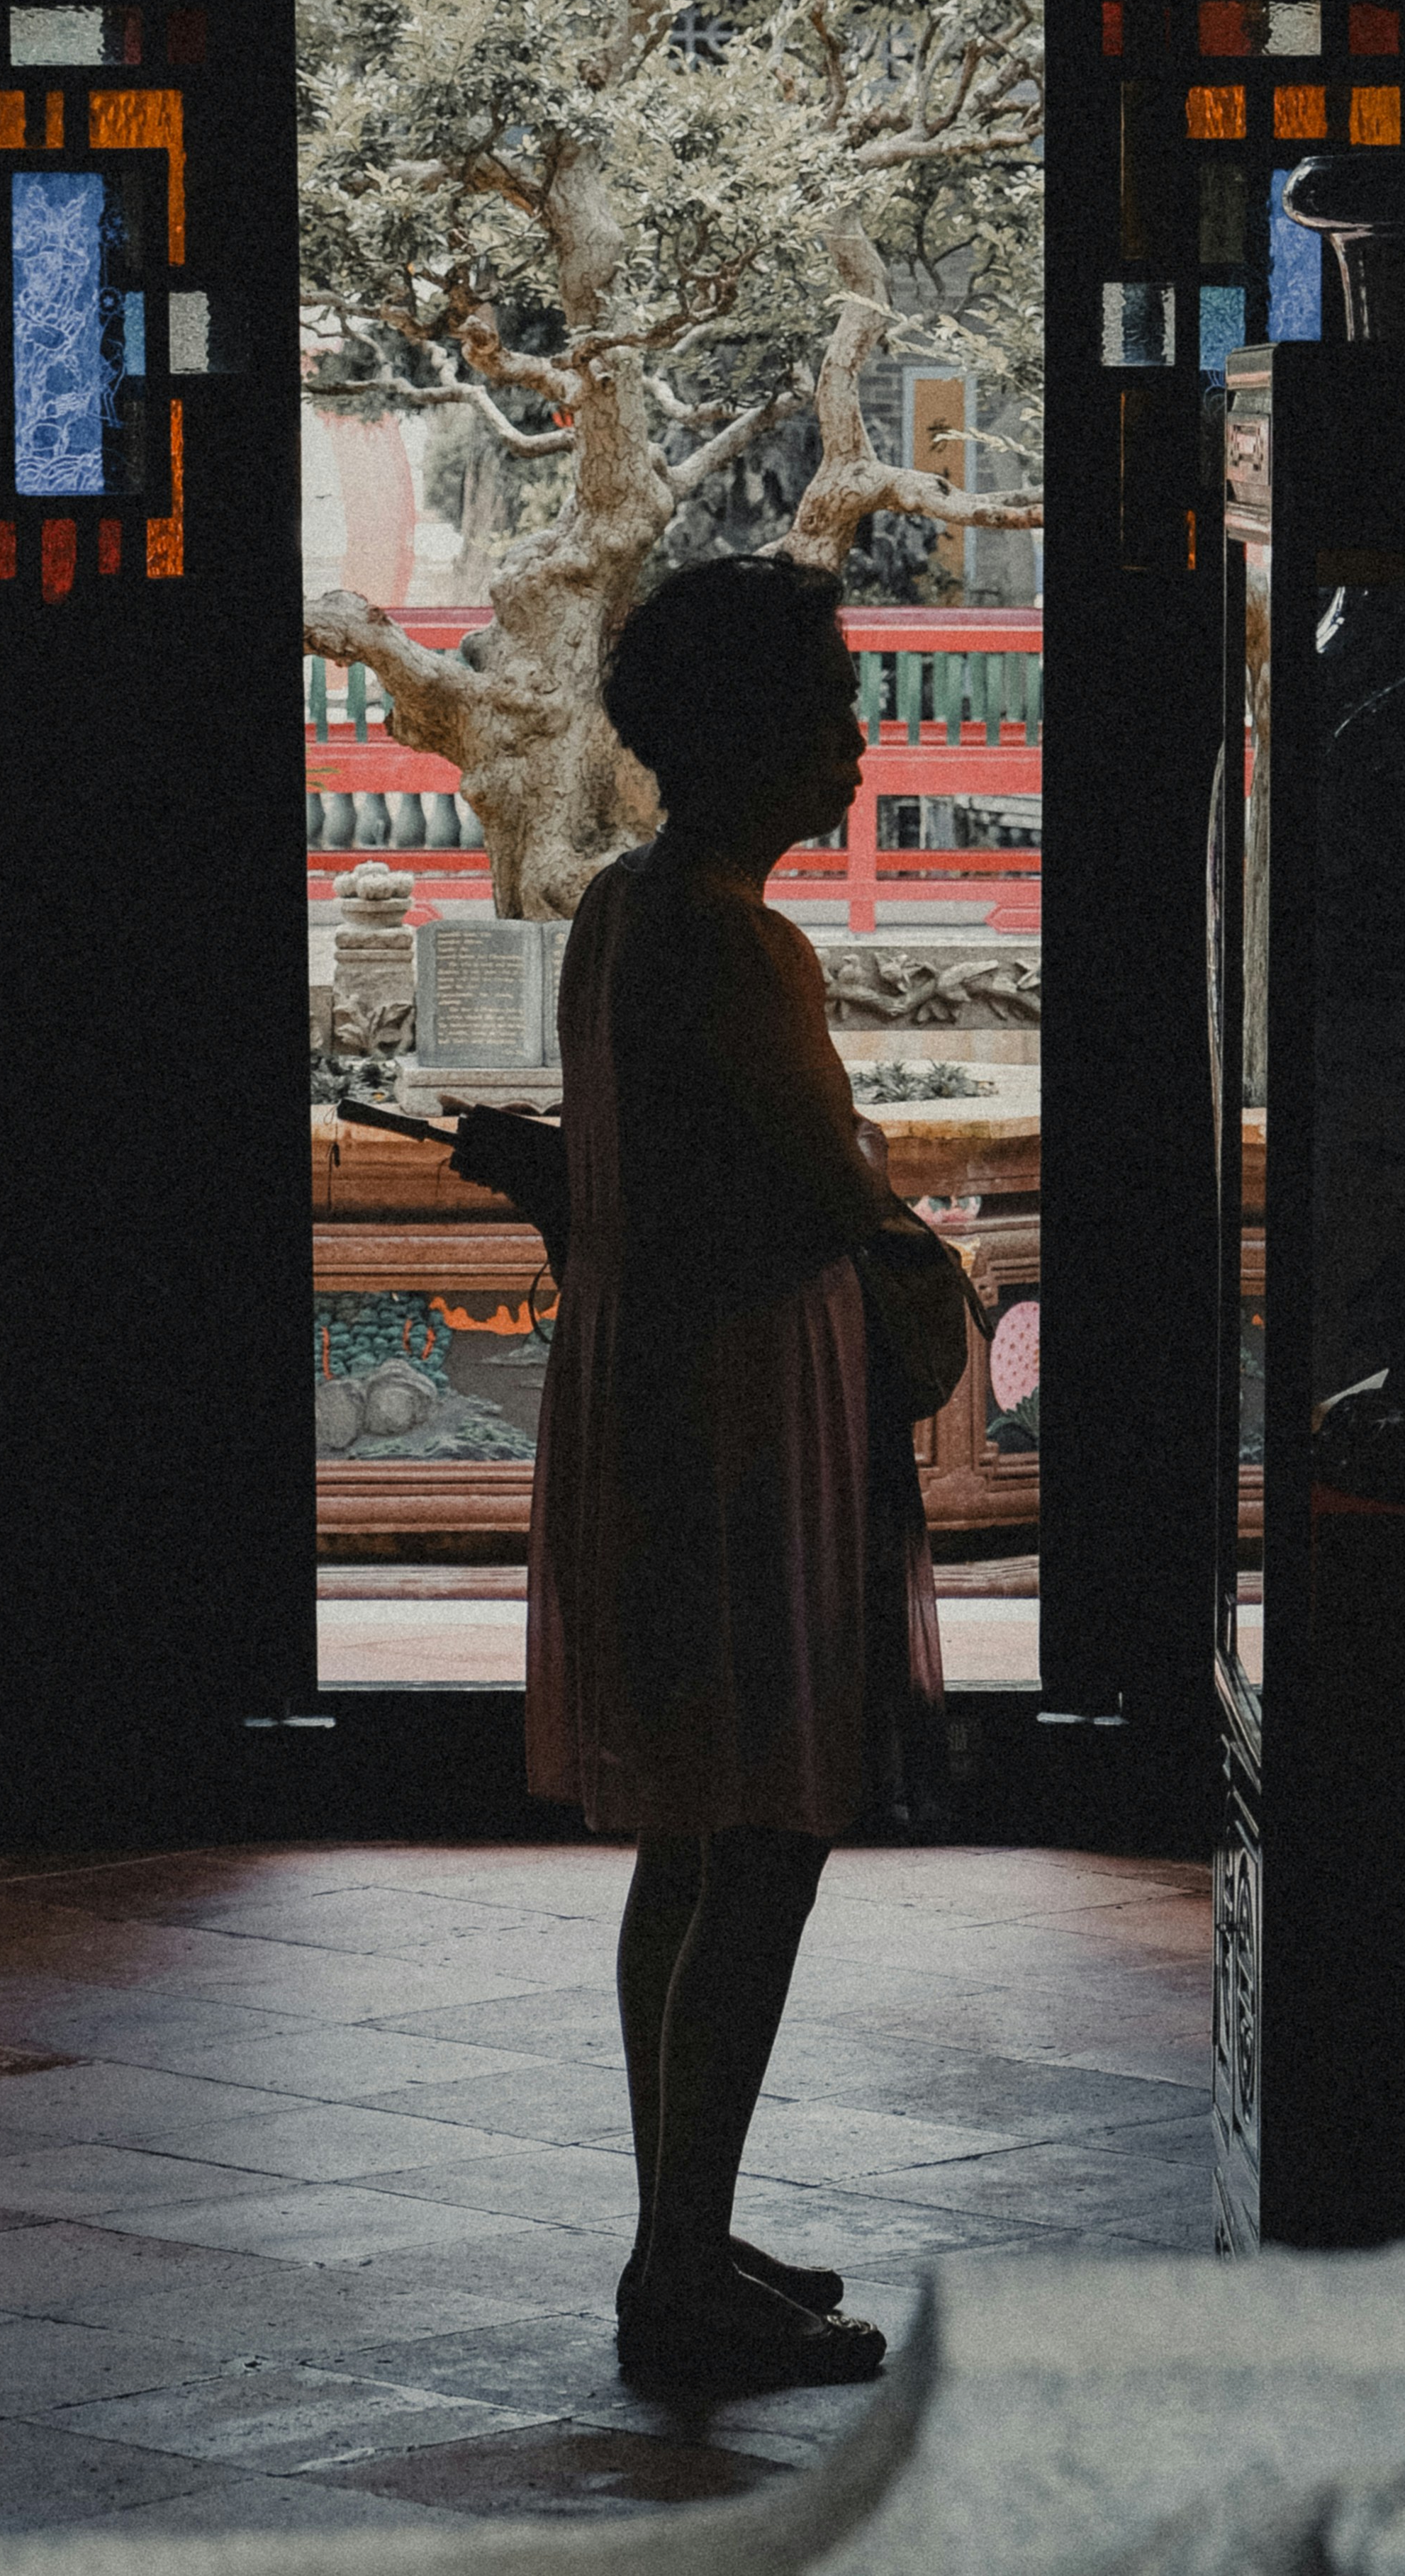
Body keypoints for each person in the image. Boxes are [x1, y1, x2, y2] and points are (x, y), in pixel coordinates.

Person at [525, 553, 946, 2392]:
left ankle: (673, 2232)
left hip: (650, 1392)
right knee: (767, 1825)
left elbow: (638, 1180)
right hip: (740, 1421)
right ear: (762, 739)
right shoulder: (741, 941)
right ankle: (679, 2263)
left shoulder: (621, 909)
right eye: (839, 711)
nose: (860, 744)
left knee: (689, 1830)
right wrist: (938, 1268)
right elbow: (821, 1208)